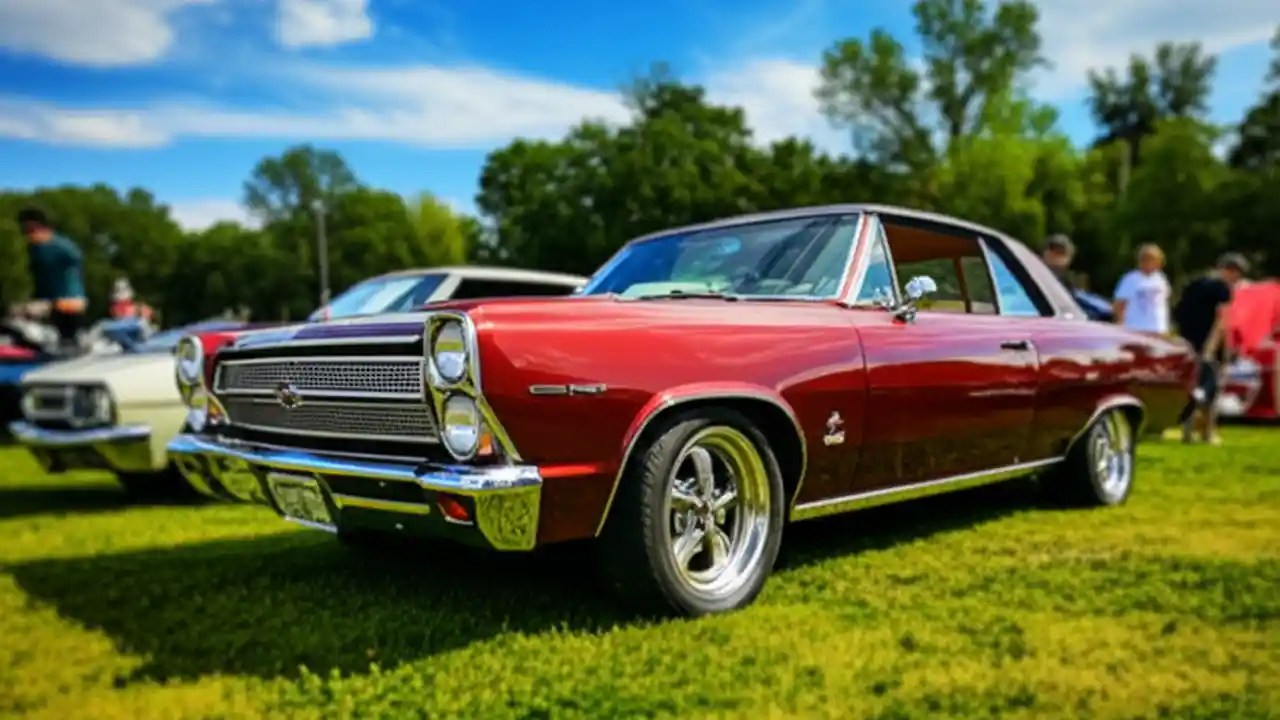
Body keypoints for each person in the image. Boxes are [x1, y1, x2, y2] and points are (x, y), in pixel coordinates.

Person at [1173, 253, 1250, 444]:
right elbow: (1221, 320)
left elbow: (1178, 312)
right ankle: (1208, 433)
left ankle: (1188, 431)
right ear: (1230, 271)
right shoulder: (1222, 289)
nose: (1236, 280)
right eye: (1237, 275)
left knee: (1193, 389)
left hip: (1188, 342)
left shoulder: (1193, 283)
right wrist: (1213, 347)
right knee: (1211, 390)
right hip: (1209, 346)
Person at [18, 206, 86, 352]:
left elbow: (75, 265)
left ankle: (71, 343)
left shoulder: (62, 247)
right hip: (47, 300)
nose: (30, 235)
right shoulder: (32, 250)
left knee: (66, 323)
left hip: (68, 300)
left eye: (33, 230)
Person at [1113, 244, 1171, 334]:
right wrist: (1120, 321)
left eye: (1154, 260)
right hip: (1136, 327)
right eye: (1146, 260)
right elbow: (1119, 303)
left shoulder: (1161, 278)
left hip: (1157, 328)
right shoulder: (1131, 279)